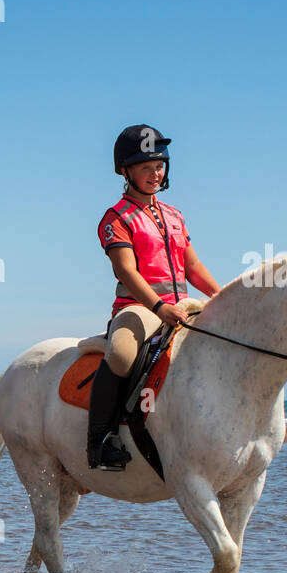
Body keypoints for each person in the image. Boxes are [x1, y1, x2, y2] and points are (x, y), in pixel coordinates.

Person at [89, 124, 222, 470]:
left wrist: (221, 297)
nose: (155, 174)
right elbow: (127, 272)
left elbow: (192, 267)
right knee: (120, 354)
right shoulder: (115, 218)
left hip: (185, 306)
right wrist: (160, 307)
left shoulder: (175, 215)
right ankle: (101, 440)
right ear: (125, 171)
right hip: (139, 307)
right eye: (146, 167)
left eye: (159, 166)